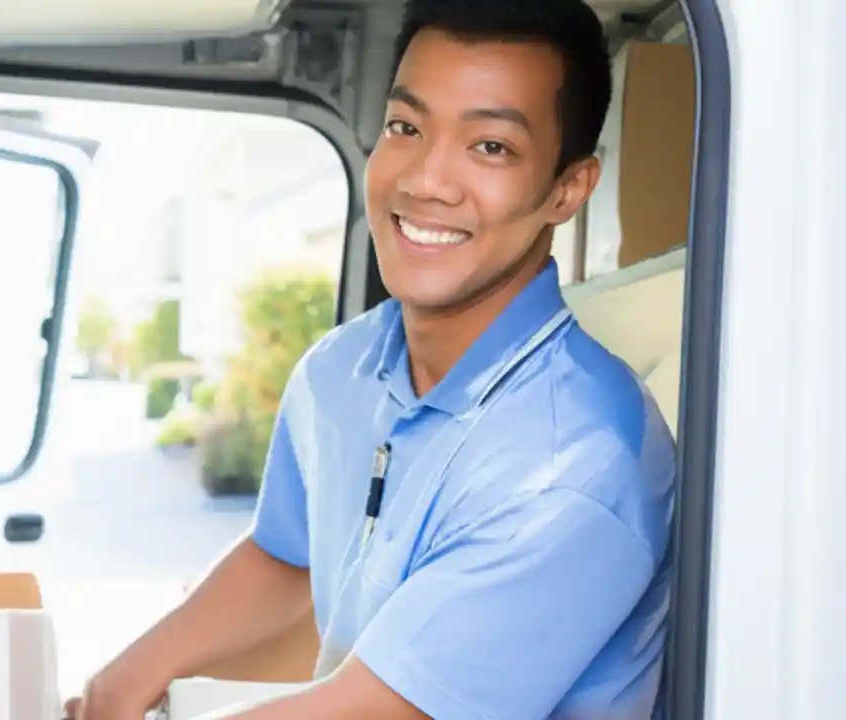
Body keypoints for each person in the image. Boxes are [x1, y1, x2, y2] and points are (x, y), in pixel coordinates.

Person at [66, 0, 676, 717]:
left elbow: (380, 709)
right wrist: (121, 681)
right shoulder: (340, 370)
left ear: (567, 189)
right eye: (406, 128)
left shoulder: (576, 466)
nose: (425, 181)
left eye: (490, 148)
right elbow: (288, 559)